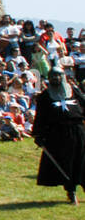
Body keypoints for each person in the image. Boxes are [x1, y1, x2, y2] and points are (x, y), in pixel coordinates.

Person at [32, 65, 84, 205]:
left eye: (58, 75)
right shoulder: (45, 97)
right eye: (53, 76)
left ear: (63, 76)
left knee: (82, 160)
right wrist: (38, 135)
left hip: (78, 130)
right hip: (58, 134)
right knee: (66, 163)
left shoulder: (73, 91)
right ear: (49, 78)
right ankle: (71, 191)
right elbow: (40, 117)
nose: (56, 78)